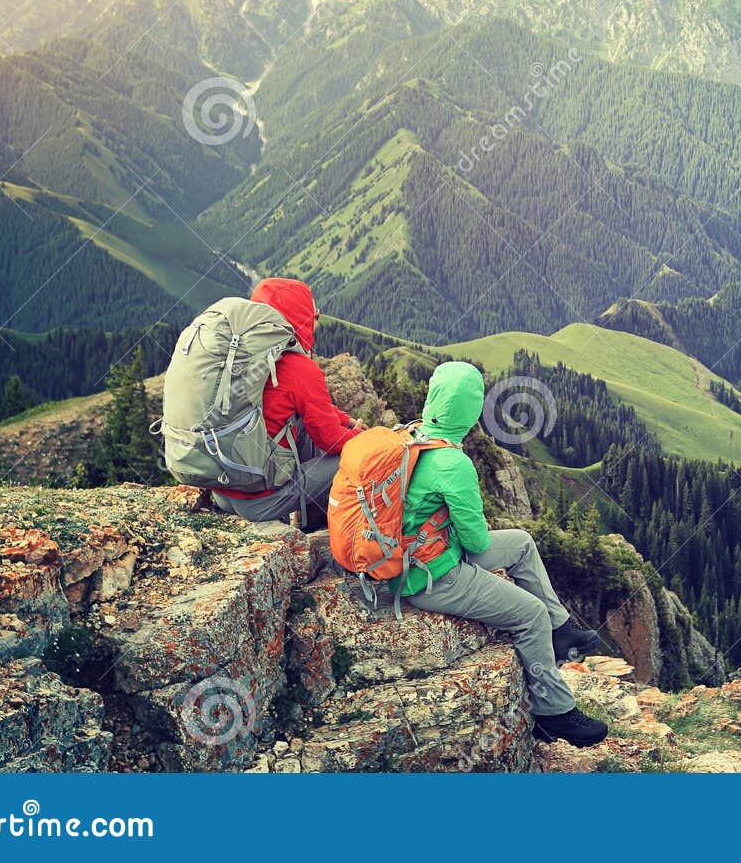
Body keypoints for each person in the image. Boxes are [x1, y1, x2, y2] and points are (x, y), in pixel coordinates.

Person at [395, 360, 609, 747]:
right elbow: (476, 543)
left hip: (421, 553)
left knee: (522, 543)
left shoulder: (409, 435)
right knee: (529, 615)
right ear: (472, 410)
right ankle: (554, 712)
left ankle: (560, 631)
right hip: (431, 574)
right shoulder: (451, 462)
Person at [211, 277, 364, 529]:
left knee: (304, 425)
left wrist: (345, 420)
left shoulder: (237, 354)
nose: (316, 322)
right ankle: (320, 526)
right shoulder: (299, 368)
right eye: (314, 316)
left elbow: (314, 408)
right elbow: (330, 439)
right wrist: (357, 437)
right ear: (300, 319)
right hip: (260, 502)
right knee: (349, 456)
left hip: (223, 489)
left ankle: (312, 517)